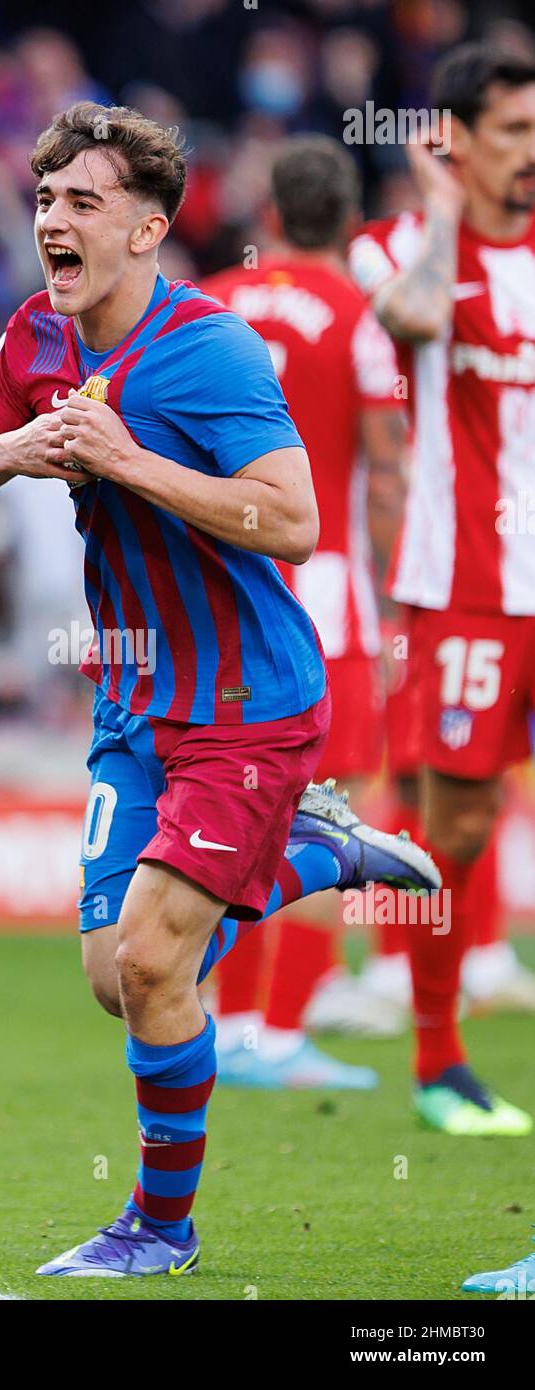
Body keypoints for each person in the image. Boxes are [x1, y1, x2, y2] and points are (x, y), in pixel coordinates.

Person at [0, 102, 439, 1278]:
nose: (54, 219)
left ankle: (160, 1228)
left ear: (148, 229)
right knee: (118, 980)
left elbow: (294, 521)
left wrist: (124, 461)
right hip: (134, 704)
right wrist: (17, 450)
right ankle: (320, 856)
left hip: (246, 699)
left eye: (82, 202)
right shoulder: (35, 340)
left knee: (155, 957)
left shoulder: (207, 349)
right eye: (46, 200)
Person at [349, 42, 535, 1138]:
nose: (529, 158)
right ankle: (437, 1057)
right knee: (452, 821)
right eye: (510, 134)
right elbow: (414, 320)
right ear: (452, 139)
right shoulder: (401, 248)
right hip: (463, 588)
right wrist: (441, 207)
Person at [202, 135, 407, 1089]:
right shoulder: (362, 316)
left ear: (271, 216)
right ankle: (280, 1030)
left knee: (237, 804)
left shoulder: (206, 302)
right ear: (352, 218)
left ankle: (229, 1021)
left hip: (219, 585)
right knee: (330, 814)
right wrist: (405, 598)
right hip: (325, 592)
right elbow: (387, 475)